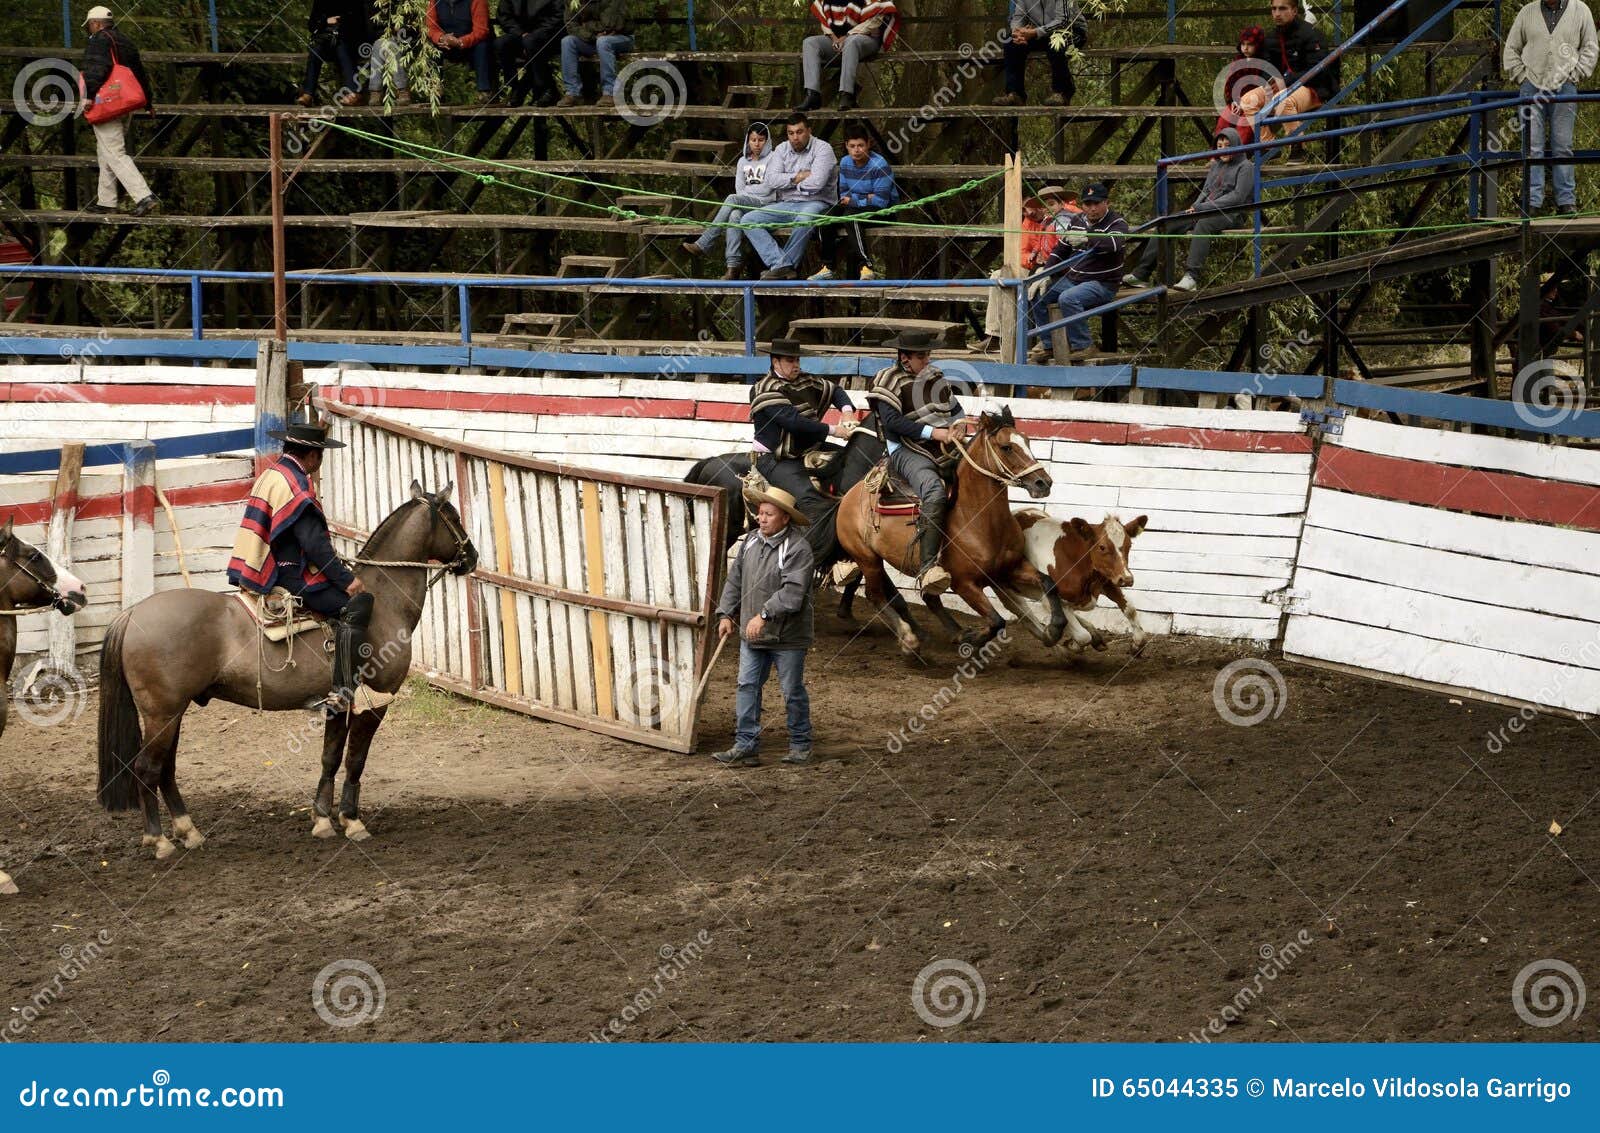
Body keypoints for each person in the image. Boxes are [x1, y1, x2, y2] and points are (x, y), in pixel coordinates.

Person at [227, 421, 371, 717]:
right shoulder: (298, 484)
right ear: (313, 455)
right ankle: (343, 693)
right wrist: (347, 580)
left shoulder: (272, 474)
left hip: (267, 564)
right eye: (320, 457)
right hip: (290, 575)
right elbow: (315, 543)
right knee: (358, 604)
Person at [711, 485, 819, 768]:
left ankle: (800, 744)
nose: (762, 518)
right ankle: (746, 745)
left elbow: (792, 594)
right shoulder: (749, 542)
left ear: (785, 518)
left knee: (791, 689)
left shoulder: (798, 548)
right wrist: (725, 614)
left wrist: (763, 614)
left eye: (769, 514)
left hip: (788, 636)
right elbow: (735, 580)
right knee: (747, 685)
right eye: (760, 513)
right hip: (753, 633)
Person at [865, 329, 970, 597]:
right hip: (904, 450)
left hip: (942, 442)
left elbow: (955, 409)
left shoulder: (934, 376)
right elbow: (892, 423)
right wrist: (934, 433)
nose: (927, 360)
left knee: (980, 468)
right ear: (904, 358)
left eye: (928, 354)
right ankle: (927, 568)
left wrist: (959, 424)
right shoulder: (886, 380)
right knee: (934, 491)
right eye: (921, 356)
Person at [749, 338, 857, 563]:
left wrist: (846, 410)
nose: (796, 364)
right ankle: (816, 560)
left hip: (809, 450)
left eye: (797, 359)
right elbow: (794, 422)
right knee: (810, 499)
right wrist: (835, 430)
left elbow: (835, 390)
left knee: (852, 460)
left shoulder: (806, 380)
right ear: (775, 361)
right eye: (790, 360)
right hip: (776, 458)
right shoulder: (763, 388)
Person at [1124, 128, 1254, 292]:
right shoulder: (1216, 166)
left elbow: (1237, 197)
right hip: (1205, 209)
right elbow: (1206, 191)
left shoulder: (1246, 167)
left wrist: (1202, 208)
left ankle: (1191, 276)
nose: (1224, 149)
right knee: (1168, 222)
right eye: (1220, 145)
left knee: (1204, 224)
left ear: (1236, 145)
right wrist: (1194, 207)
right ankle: (1142, 273)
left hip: (1232, 214)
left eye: (1228, 145)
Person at [1504, 0, 1599, 215]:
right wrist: (1521, 77)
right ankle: (1532, 202)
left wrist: (1576, 75)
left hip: (1565, 86)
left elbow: (1591, 47)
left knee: (1563, 144)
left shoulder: (1580, 10)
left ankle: (1566, 201)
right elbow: (1511, 48)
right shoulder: (1527, 12)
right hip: (1531, 88)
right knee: (1532, 145)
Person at [1030, 180, 1129, 362]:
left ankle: (1083, 345)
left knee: (1068, 298)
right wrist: (1045, 273)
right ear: (1082, 205)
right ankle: (1049, 344)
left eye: (1097, 203)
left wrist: (1087, 238)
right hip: (1074, 279)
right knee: (1037, 293)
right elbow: (1060, 250)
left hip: (1103, 284)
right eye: (1088, 204)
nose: (1092, 208)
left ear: (1107, 203)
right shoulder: (1076, 220)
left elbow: (1114, 244)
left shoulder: (1117, 222)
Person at [79, 6, 158, 217]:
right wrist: (148, 103)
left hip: (107, 105)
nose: (89, 29)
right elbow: (140, 74)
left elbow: (96, 68)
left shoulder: (98, 40)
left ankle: (144, 196)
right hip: (126, 104)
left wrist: (87, 96)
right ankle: (107, 201)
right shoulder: (125, 41)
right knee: (105, 150)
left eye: (89, 25)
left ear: (95, 23)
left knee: (114, 152)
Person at [743, 113, 839, 281]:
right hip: (786, 203)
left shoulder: (823, 149)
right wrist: (798, 177)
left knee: (804, 219)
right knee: (747, 220)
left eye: (800, 132)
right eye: (791, 133)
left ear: (809, 130)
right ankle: (782, 265)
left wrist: (787, 180)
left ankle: (781, 268)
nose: (795, 137)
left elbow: (817, 183)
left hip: (817, 202)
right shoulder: (782, 149)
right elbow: (771, 180)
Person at [973, 188, 1070, 352]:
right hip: (1036, 266)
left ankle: (1045, 341)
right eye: (1024, 209)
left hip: (1060, 268)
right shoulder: (1028, 221)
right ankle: (995, 336)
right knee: (999, 276)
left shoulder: (1068, 216)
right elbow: (1022, 252)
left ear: (1060, 203)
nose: (1029, 212)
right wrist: (1033, 258)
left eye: (1032, 206)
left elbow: (1066, 246)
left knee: (1039, 290)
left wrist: (1044, 261)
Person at [681, 123, 777, 279]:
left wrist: (749, 193)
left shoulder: (773, 159)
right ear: (748, 141)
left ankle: (704, 242)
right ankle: (733, 267)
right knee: (734, 215)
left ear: (767, 141)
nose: (757, 144)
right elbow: (740, 189)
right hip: (748, 204)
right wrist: (750, 194)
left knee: (732, 199)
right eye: (753, 140)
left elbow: (768, 189)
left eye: (761, 140)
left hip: (768, 205)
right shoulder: (742, 162)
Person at [1236, 0, 1335, 144]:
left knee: (1283, 99)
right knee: (1247, 100)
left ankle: (1297, 147)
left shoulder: (1311, 34)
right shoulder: (1271, 37)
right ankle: (1267, 145)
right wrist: (1271, 81)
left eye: (1282, 9)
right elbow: (1266, 67)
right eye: (1274, 9)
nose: (1277, 13)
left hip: (1313, 88)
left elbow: (1318, 70)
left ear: (1294, 11)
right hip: (1283, 87)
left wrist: (1285, 82)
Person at [812, 125, 898, 281]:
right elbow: (844, 194)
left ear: (868, 144)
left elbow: (881, 201)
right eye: (852, 146)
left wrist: (855, 199)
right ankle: (828, 266)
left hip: (884, 211)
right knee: (825, 216)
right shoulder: (845, 163)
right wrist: (865, 197)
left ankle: (866, 266)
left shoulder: (879, 165)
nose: (857, 150)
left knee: (852, 217)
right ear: (846, 146)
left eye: (860, 145)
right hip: (854, 206)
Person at [795, 1, 902, 113]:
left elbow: (875, 19)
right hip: (837, 39)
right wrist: (834, 38)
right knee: (810, 43)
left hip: (866, 38)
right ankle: (812, 94)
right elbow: (824, 19)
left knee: (851, 42)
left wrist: (847, 36)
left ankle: (847, 94)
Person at [994, 0, 1085, 107]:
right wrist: (1017, 33)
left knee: (1056, 45)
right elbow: (1018, 17)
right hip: (1042, 33)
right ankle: (1015, 94)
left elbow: (1063, 21)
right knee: (1011, 43)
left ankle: (1062, 92)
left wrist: (1034, 32)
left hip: (1071, 31)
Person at [557, 0, 634, 109]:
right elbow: (571, 25)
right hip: (593, 39)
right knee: (567, 41)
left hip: (621, 37)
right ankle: (573, 93)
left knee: (603, 41)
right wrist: (591, 35)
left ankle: (609, 93)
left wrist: (586, 25)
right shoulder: (573, 1)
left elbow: (609, 24)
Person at [298, 1, 371, 108]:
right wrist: (326, 21)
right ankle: (308, 94)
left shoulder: (355, 3)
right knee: (315, 51)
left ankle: (354, 93)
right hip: (326, 40)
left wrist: (342, 24)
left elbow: (361, 26)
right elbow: (312, 25)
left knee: (342, 48)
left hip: (349, 41)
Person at [495, 0, 563, 106]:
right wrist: (521, 33)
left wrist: (533, 36)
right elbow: (504, 17)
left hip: (549, 35)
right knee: (501, 43)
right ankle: (514, 86)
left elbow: (558, 16)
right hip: (520, 35)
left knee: (531, 42)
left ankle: (544, 88)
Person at [427, 0, 497, 104]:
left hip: (471, 45)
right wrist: (441, 38)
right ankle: (436, 91)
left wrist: (460, 42)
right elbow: (430, 27)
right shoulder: (434, 1)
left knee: (482, 45)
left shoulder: (477, 1)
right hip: (446, 44)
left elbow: (481, 31)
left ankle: (484, 91)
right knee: (430, 46)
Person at [1215, 25, 1266, 144]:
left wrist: (1245, 103)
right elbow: (1230, 84)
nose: (1246, 48)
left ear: (1258, 45)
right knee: (1224, 120)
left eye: (1250, 44)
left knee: (1244, 126)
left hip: (1253, 104)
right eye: (1243, 44)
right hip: (1236, 103)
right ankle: (1216, 157)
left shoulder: (1263, 63)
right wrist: (1232, 101)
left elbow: (1261, 87)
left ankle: (1237, 157)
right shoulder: (1238, 62)